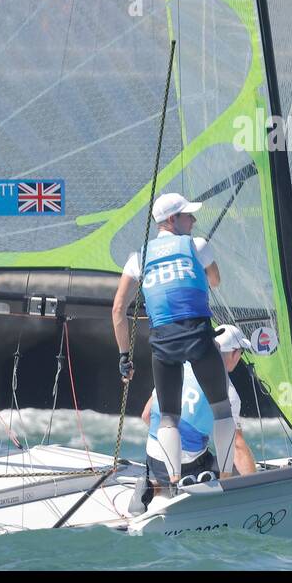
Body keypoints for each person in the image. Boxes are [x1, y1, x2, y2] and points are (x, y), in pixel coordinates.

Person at [112, 192, 237, 490]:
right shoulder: (197, 245)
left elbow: (118, 310)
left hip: (164, 342)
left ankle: (172, 481)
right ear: (172, 220)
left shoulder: (137, 258)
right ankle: (228, 477)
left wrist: (124, 357)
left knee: (168, 417)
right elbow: (216, 281)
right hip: (198, 337)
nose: (193, 220)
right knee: (222, 410)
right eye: (188, 215)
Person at [137, 324, 257, 496]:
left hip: (154, 459)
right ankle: (199, 482)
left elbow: (146, 415)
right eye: (241, 353)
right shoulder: (227, 392)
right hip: (186, 466)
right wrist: (255, 488)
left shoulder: (178, 369)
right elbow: (237, 446)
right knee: (235, 467)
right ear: (234, 353)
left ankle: (153, 488)